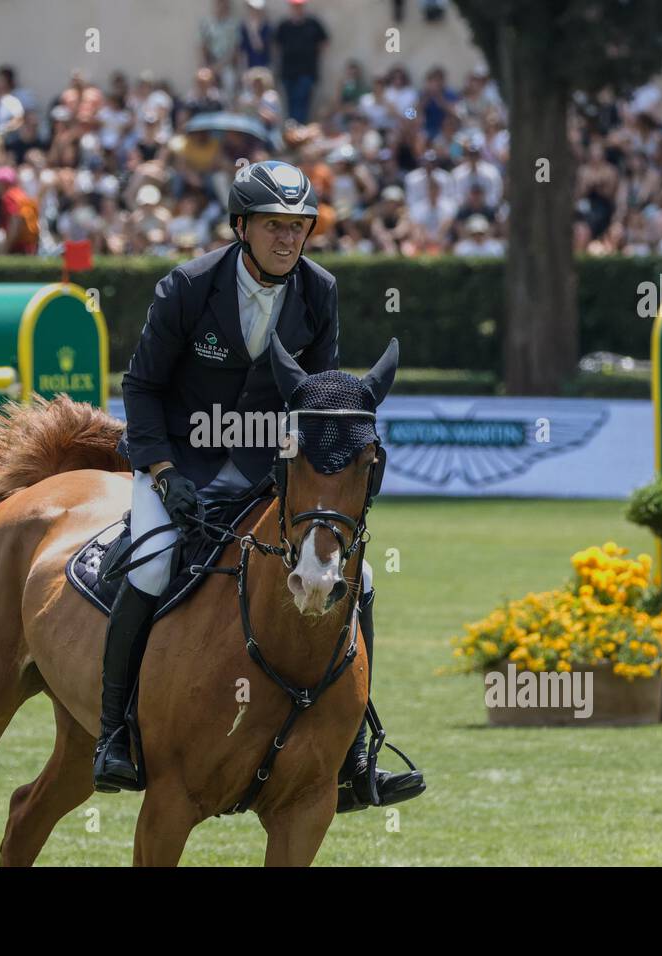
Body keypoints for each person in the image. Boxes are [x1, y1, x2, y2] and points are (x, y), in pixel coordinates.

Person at [96, 159, 426, 814]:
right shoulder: (187, 288)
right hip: (179, 463)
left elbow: (321, 399)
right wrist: (161, 473)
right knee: (155, 564)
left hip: (266, 470)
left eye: (300, 227)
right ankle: (114, 737)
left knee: (355, 580)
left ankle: (355, 754)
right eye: (275, 226)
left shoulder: (318, 290)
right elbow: (141, 388)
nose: (289, 240)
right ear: (242, 226)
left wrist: (318, 472)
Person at [274, 0, 329, 124]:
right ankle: (293, 134)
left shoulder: (313, 24)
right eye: (294, 6)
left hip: (307, 72)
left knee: (301, 104)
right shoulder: (284, 25)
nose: (297, 8)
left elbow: (324, 42)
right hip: (288, 72)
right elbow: (276, 45)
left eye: (299, 6)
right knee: (291, 104)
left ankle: (297, 133)